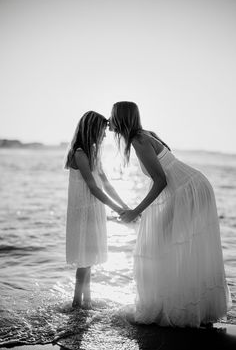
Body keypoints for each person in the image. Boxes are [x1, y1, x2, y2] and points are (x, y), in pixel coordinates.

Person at [109, 101, 231, 327]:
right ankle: (179, 304)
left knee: (162, 244)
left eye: (112, 116)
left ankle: (179, 307)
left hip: (191, 190)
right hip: (190, 187)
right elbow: (167, 174)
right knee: (165, 244)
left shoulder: (139, 140)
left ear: (120, 118)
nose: (109, 120)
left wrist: (136, 211)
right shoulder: (145, 135)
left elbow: (162, 180)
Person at [65, 111, 128, 308]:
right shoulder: (80, 154)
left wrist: (125, 207)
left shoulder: (93, 153)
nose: (104, 135)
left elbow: (107, 184)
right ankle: (77, 303)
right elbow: (93, 187)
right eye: (102, 131)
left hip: (94, 210)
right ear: (92, 130)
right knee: (84, 260)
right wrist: (118, 210)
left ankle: (88, 302)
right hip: (83, 212)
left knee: (89, 259)